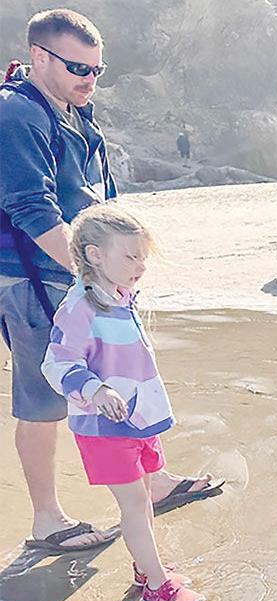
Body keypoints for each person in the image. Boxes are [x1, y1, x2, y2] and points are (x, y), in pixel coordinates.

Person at [0, 9, 219, 554]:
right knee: (45, 396)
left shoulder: (74, 110)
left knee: (125, 370)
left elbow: (94, 196)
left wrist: (115, 266)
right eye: (78, 67)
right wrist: (93, 276)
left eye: (97, 69)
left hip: (82, 274)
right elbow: (31, 208)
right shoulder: (17, 115)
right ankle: (47, 519)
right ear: (39, 57)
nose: (90, 79)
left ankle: (153, 480)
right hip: (34, 280)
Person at [42, 205, 205, 601]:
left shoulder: (119, 295)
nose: (141, 266)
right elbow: (57, 362)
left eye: (143, 257)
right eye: (131, 256)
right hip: (106, 428)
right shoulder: (79, 307)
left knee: (143, 498)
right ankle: (157, 587)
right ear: (95, 255)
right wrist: (94, 389)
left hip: (137, 419)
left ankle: (146, 569)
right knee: (133, 504)